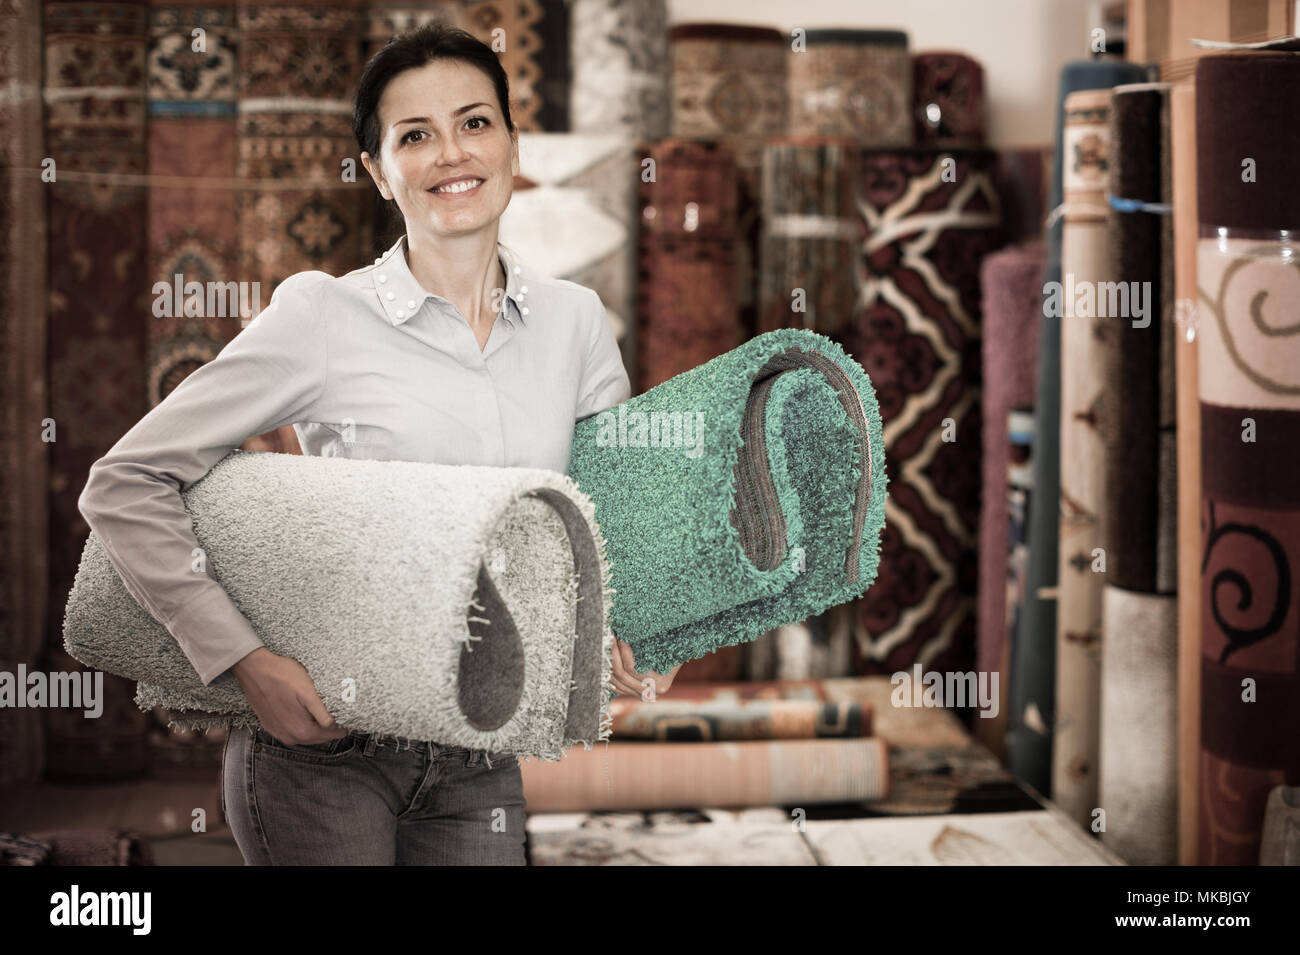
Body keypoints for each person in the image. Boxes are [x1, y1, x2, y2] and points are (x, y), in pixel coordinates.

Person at [76, 23, 680, 866]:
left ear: (513, 144)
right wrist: (243, 661)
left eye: (474, 123)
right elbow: (124, 481)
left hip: (483, 749)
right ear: (377, 172)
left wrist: (645, 636)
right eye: (414, 136)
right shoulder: (323, 315)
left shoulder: (575, 322)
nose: (451, 154)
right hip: (324, 749)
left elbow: (603, 523)